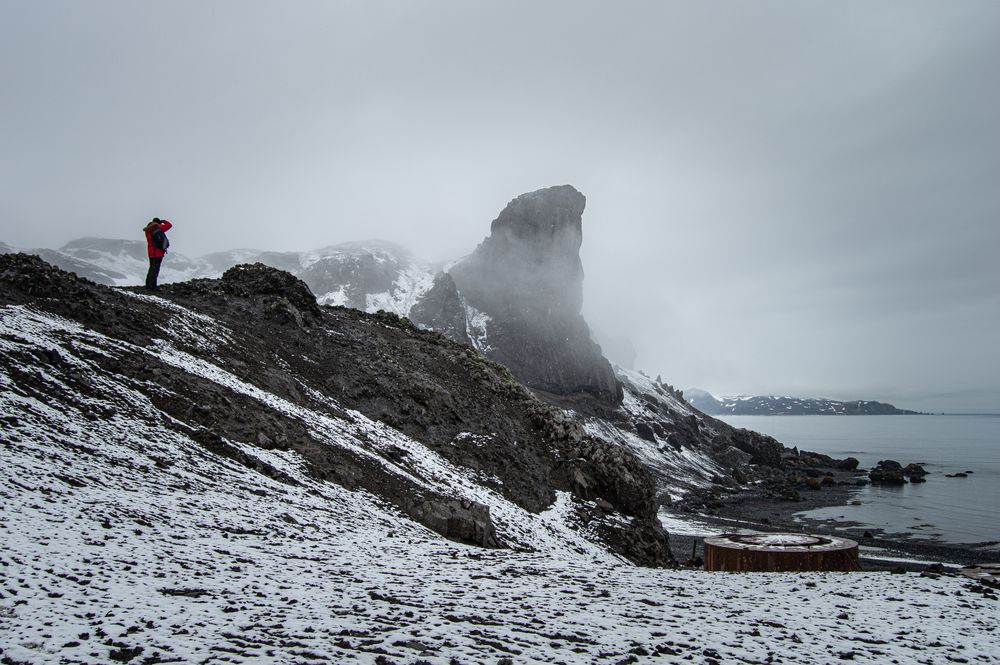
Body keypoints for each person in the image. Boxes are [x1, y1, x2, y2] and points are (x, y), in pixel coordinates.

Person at [143, 217, 172, 290]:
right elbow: (169, 225)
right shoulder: (159, 227)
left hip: (151, 252)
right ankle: (153, 287)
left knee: (151, 268)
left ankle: (148, 285)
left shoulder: (147, 230)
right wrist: (163, 221)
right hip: (158, 252)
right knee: (156, 269)